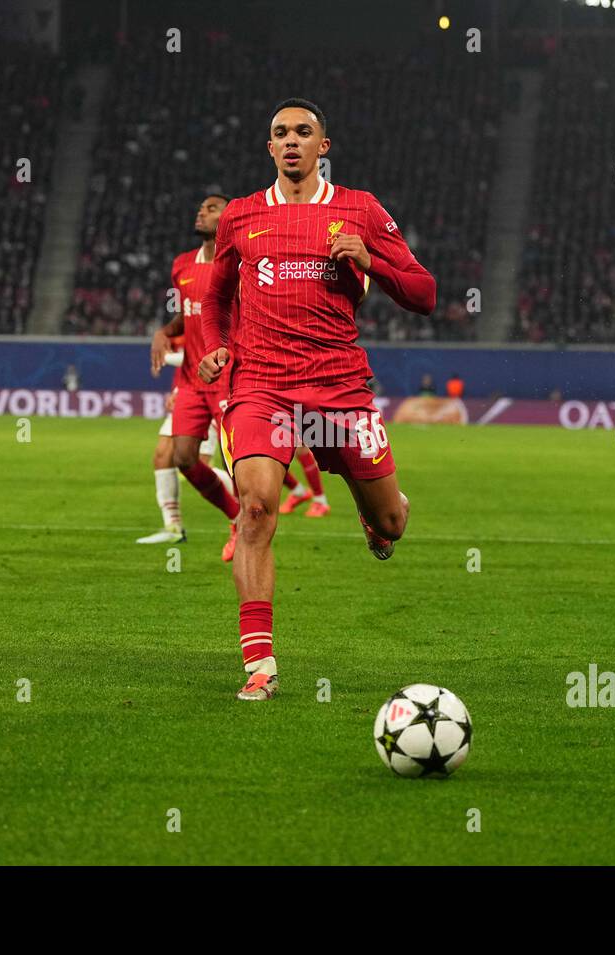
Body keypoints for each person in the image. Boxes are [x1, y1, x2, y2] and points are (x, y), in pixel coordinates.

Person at [199, 98, 435, 701]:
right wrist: (217, 346)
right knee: (256, 508)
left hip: (339, 388)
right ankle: (260, 664)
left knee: (393, 522)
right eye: (281, 134)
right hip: (261, 386)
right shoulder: (242, 218)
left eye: (304, 132)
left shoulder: (360, 210)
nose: (292, 141)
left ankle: (375, 512)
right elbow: (214, 296)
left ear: (323, 146)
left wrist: (372, 259)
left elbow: (425, 293)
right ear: (270, 149)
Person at [137, 195, 240, 560]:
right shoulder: (182, 265)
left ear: (228, 218)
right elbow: (186, 318)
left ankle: (252, 527)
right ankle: (237, 517)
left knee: (238, 463)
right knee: (183, 457)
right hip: (192, 381)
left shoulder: (240, 264)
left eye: (212, 208)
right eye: (201, 207)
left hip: (230, 378)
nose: (202, 211)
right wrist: (164, 331)